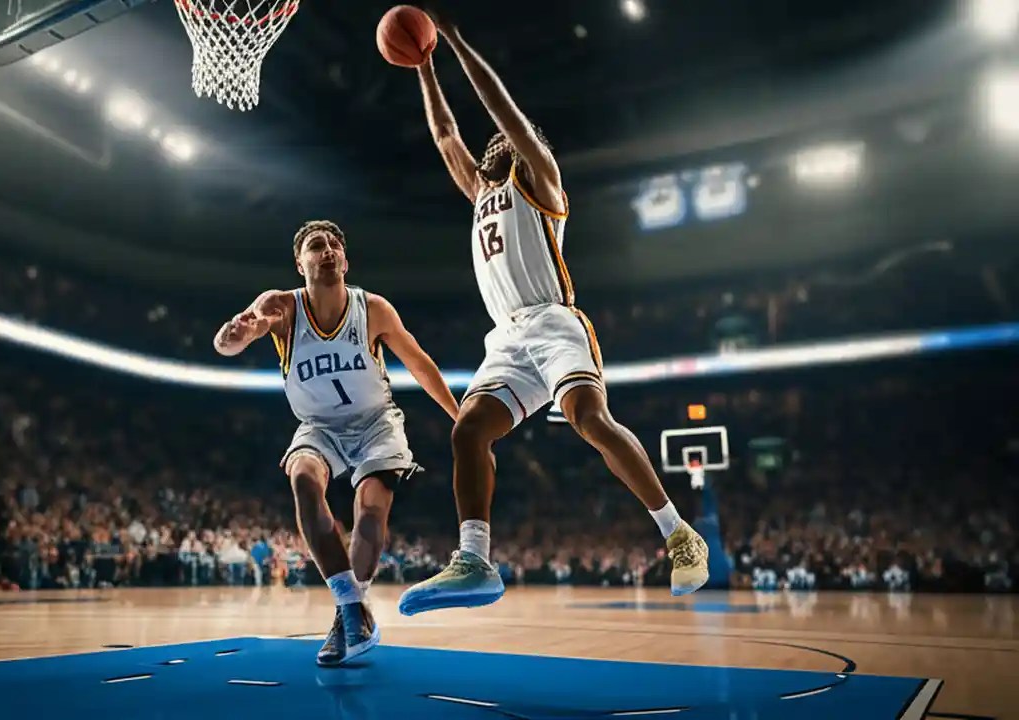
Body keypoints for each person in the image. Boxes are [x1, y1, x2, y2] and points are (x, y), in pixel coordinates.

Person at [397, 12, 709, 615]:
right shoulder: (480, 192)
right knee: (467, 430)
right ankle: (475, 560)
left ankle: (677, 533)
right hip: (507, 339)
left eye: (508, 137)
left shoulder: (542, 180)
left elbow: (500, 109)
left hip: (555, 321)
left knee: (590, 420)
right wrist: (425, 64)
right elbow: (443, 135)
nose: (495, 143)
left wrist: (458, 37)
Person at [214, 219, 458, 665]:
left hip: (375, 423)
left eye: (333, 245)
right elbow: (235, 337)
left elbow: (420, 363)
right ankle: (350, 606)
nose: (325, 251)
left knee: (370, 509)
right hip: (319, 425)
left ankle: (350, 609)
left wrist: (458, 417)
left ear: (344, 259)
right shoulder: (282, 307)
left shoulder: (374, 309)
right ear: (300, 262)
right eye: (315, 245)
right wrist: (237, 335)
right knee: (303, 478)